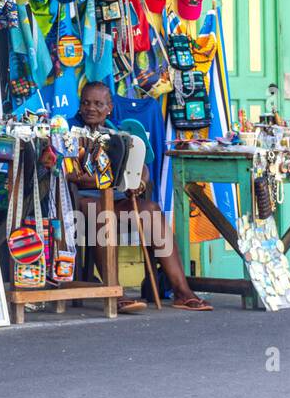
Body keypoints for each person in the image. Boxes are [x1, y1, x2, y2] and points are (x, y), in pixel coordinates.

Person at [70, 81, 213, 313]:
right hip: (84, 202)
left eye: (98, 103)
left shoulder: (117, 133)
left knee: (152, 211)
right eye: (86, 103)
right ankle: (114, 291)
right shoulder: (69, 131)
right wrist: (108, 180)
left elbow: (142, 166)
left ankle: (181, 291)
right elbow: (71, 174)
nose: (91, 108)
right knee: (99, 213)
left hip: (114, 200)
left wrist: (139, 181)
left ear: (110, 107)